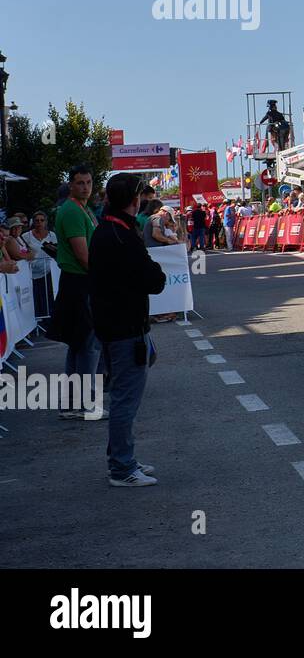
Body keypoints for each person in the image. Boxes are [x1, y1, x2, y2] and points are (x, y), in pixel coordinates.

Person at [89, 174, 167, 487]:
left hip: (114, 325)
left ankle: (124, 459)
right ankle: (121, 468)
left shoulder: (107, 228)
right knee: (125, 400)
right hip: (124, 327)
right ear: (134, 200)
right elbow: (154, 279)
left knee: (124, 395)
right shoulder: (121, 233)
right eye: (141, 195)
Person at [52, 164, 103, 420]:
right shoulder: (72, 211)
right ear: (70, 184)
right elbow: (84, 256)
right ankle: (87, 404)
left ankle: (72, 405)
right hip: (80, 282)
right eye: (80, 182)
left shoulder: (81, 209)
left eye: (89, 182)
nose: (85, 187)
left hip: (78, 283)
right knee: (88, 345)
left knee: (78, 344)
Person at [22, 210, 58, 317]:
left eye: (42, 220)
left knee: (48, 297)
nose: (39, 223)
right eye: (37, 220)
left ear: (46, 222)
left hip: (48, 272)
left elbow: (56, 251)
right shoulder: (26, 236)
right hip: (31, 274)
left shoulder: (52, 235)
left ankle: (50, 321)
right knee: (35, 299)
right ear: (33, 222)